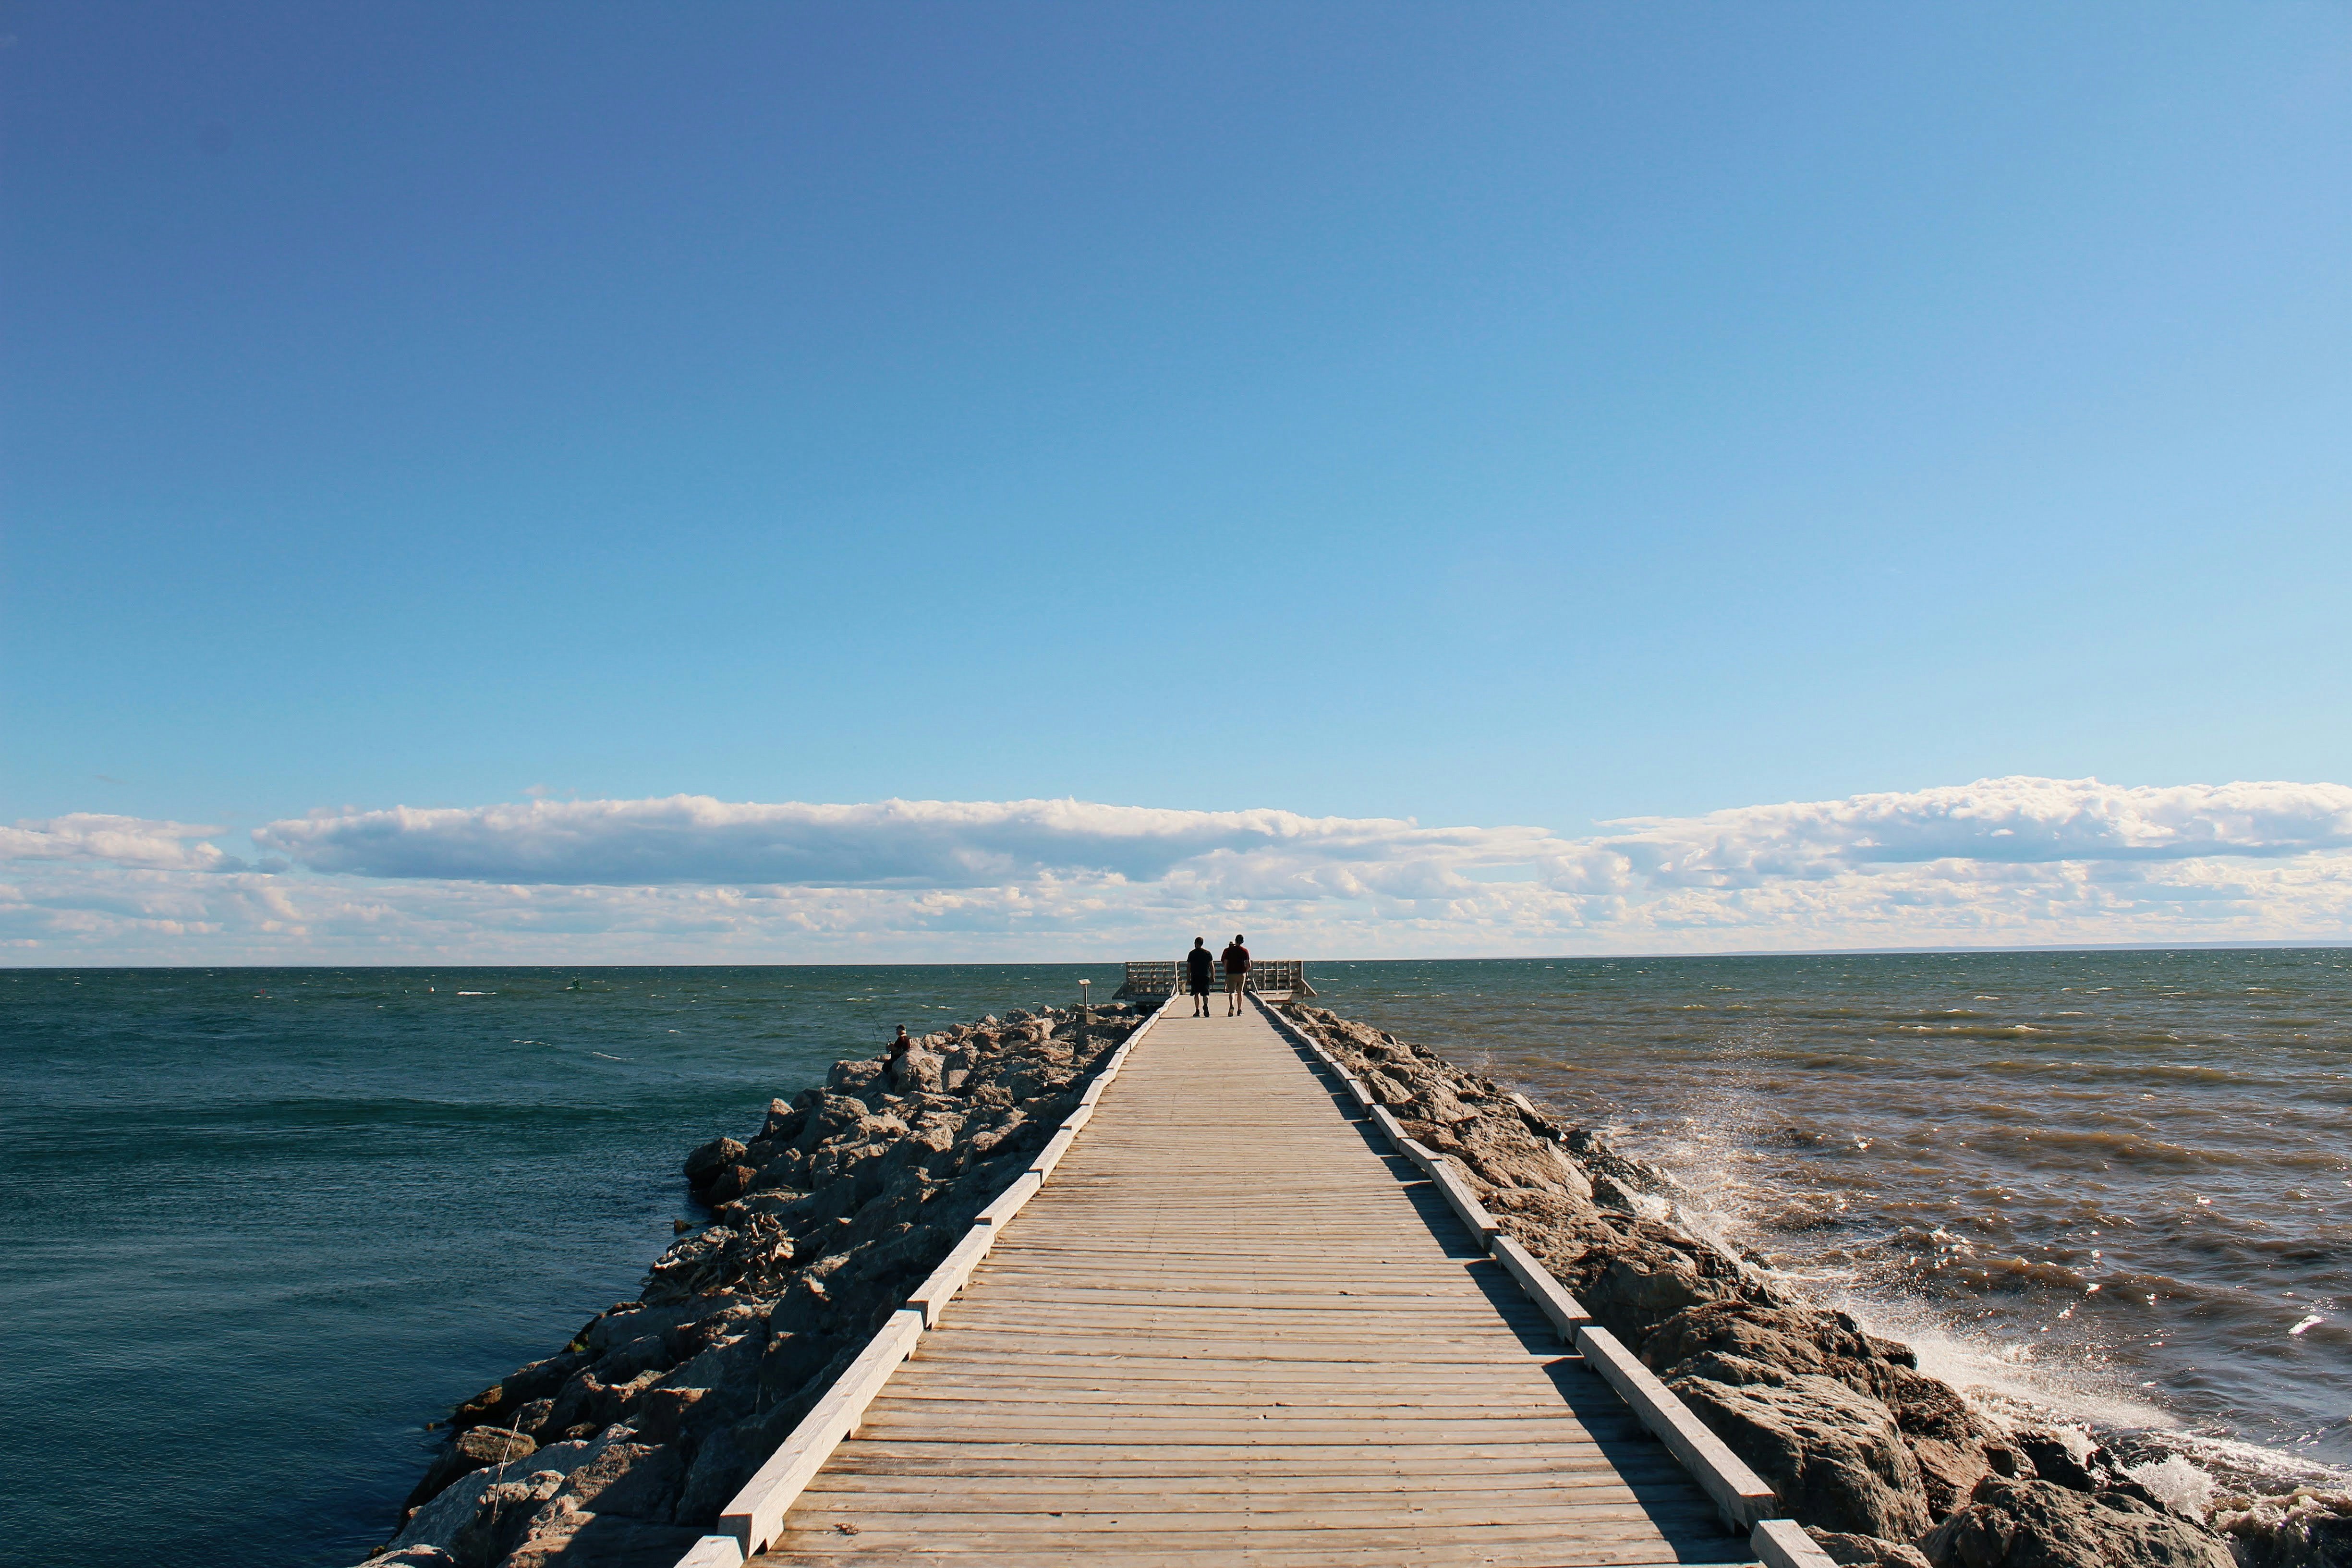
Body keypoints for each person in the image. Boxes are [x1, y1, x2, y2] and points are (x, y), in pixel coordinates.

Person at [1184, 937, 1215, 1017]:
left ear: (1196, 943)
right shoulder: (1207, 953)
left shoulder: (1192, 954)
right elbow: (1211, 966)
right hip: (1205, 975)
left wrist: (1188, 978)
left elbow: (1189, 967)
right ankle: (1206, 1005)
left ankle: (1197, 1010)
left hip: (1195, 976)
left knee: (1196, 993)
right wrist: (1213, 976)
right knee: (1206, 993)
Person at [1221, 934, 1251, 1015]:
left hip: (1231, 973)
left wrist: (1227, 972)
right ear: (1242, 942)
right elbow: (1249, 965)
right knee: (1240, 992)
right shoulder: (1245, 951)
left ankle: (1231, 1005)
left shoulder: (1229, 951)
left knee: (1232, 992)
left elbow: (1225, 962)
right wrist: (1244, 971)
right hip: (1241, 974)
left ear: (1236, 940)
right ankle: (1239, 1010)